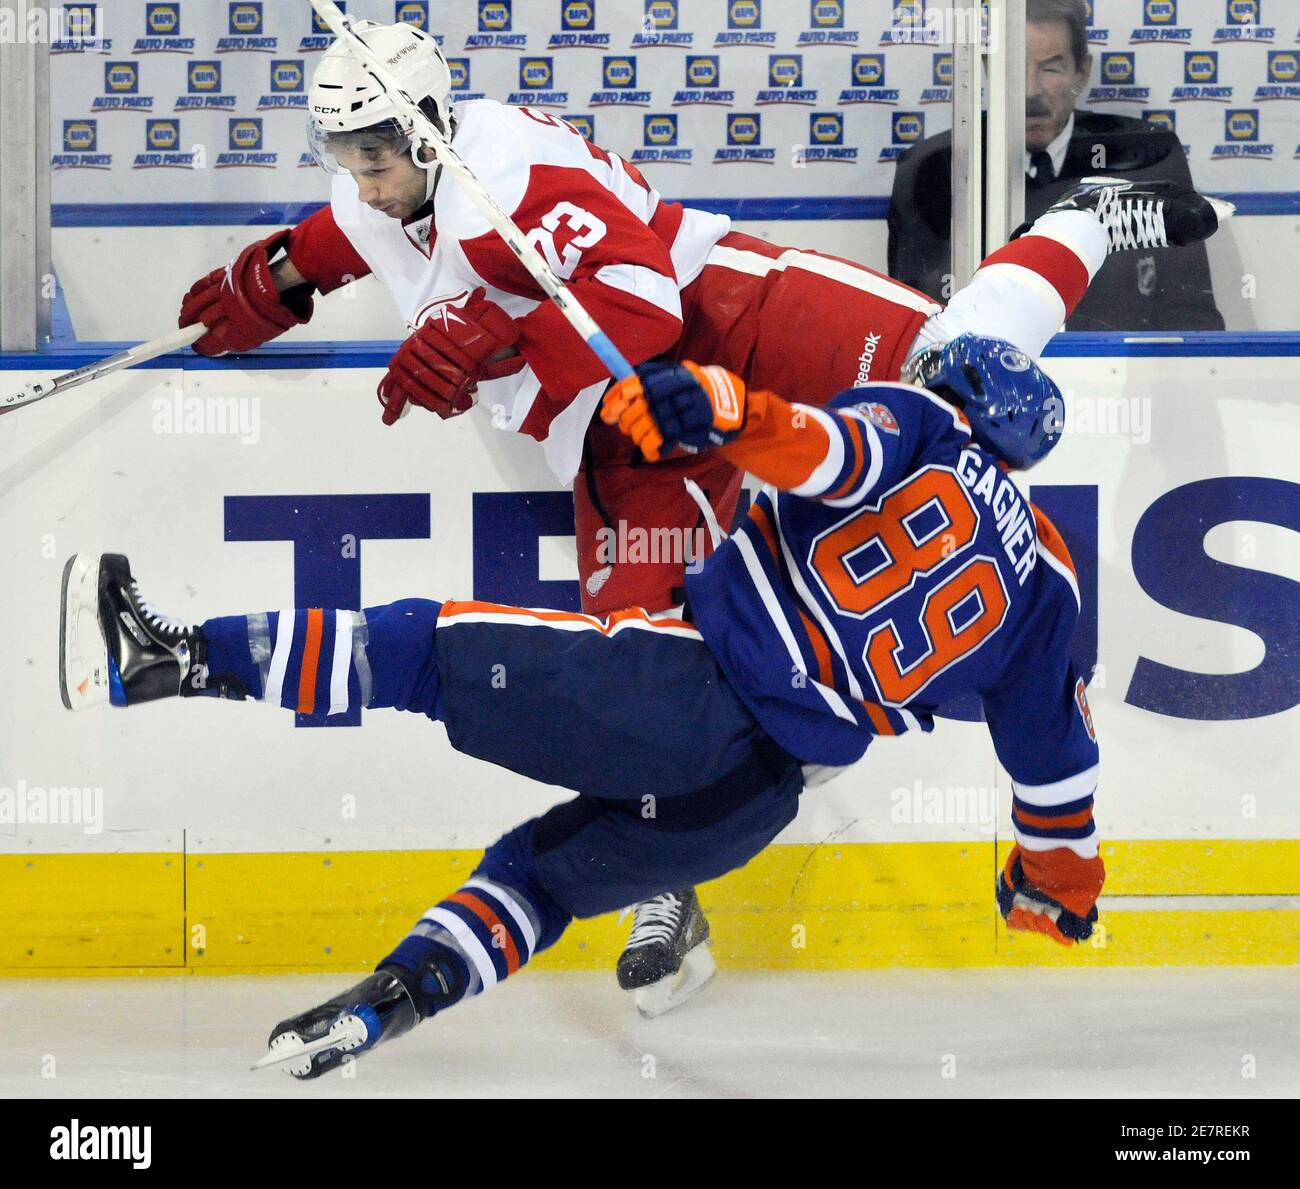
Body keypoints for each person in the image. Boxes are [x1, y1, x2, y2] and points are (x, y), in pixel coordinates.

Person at [174, 18, 1225, 1012]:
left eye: (379, 152)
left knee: (935, 369)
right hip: (628, 415)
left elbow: (644, 311)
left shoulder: (507, 178)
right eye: (347, 152)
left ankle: (1091, 207)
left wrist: (495, 348)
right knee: (644, 634)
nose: (363, 172)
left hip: (727, 313)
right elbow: (351, 225)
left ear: (430, 127)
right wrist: (273, 278)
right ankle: (663, 884)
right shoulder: (1036, 592)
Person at [61, 332, 1105, 1079]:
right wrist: (1056, 882)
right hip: (747, 806)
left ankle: (174, 658)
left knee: (428, 650)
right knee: (537, 881)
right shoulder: (1048, 586)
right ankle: (391, 1000)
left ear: (956, 392)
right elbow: (1053, 765)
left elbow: (831, 450)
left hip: (681, 690)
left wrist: (734, 411)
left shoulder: (924, 421)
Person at [887, 0, 1226, 332]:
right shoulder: (931, 171)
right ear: (989, 68)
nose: (1031, 91)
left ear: (1082, 71)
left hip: (1116, 383)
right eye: (1013, 67)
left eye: (1050, 68)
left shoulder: (1149, 160)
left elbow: (1192, 317)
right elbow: (915, 329)